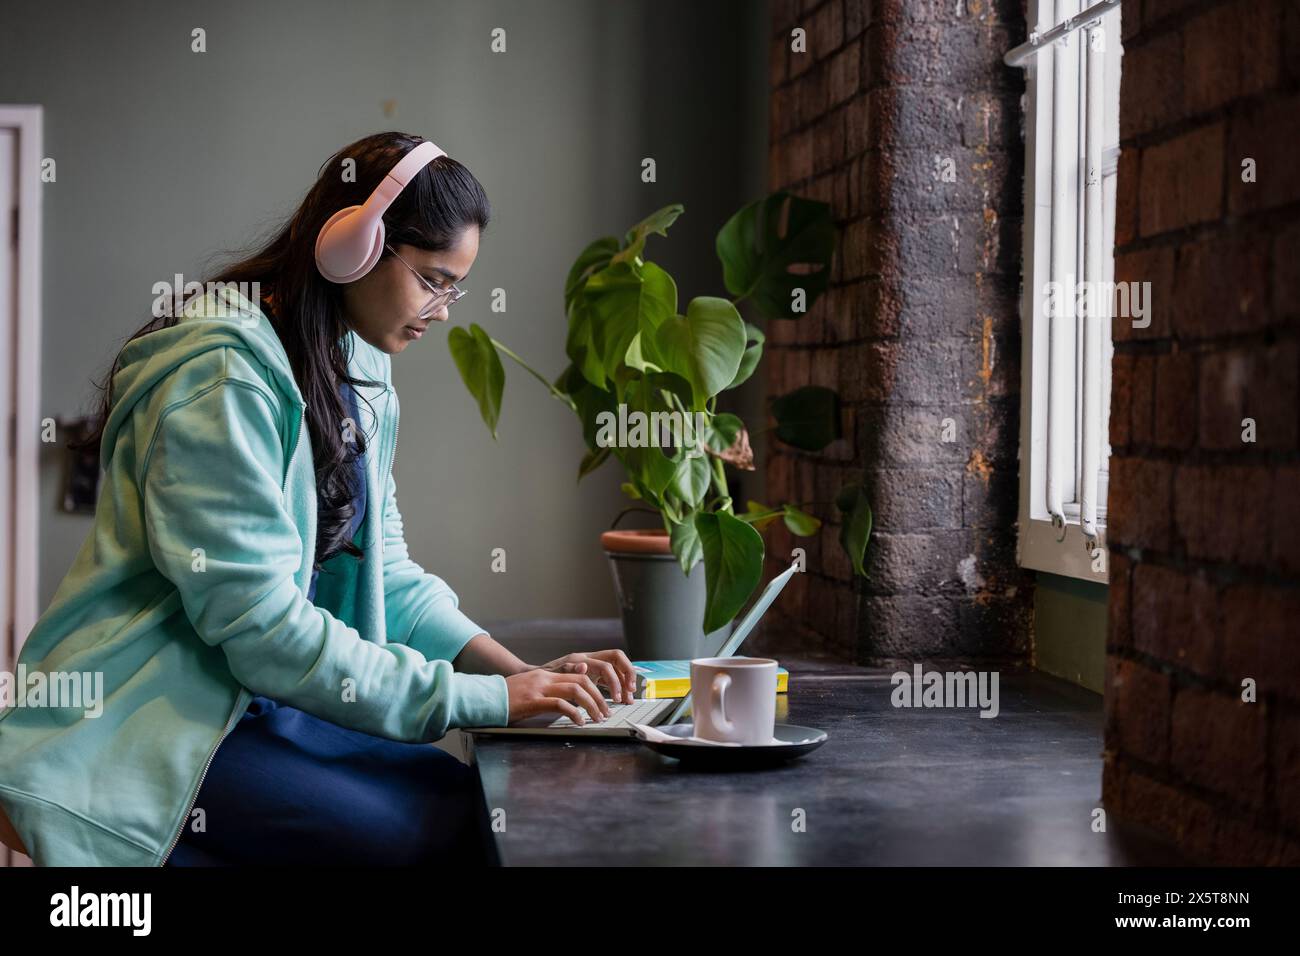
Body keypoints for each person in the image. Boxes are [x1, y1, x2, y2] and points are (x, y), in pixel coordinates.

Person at [0, 131, 635, 867]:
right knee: (435, 837)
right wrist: (485, 702)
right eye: (433, 280)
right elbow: (263, 629)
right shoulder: (221, 380)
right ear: (353, 245)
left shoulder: (353, 364)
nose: (445, 309)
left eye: (455, 287)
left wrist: (518, 675)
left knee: (470, 806)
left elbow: (384, 569)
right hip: (157, 717)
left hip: (253, 700)